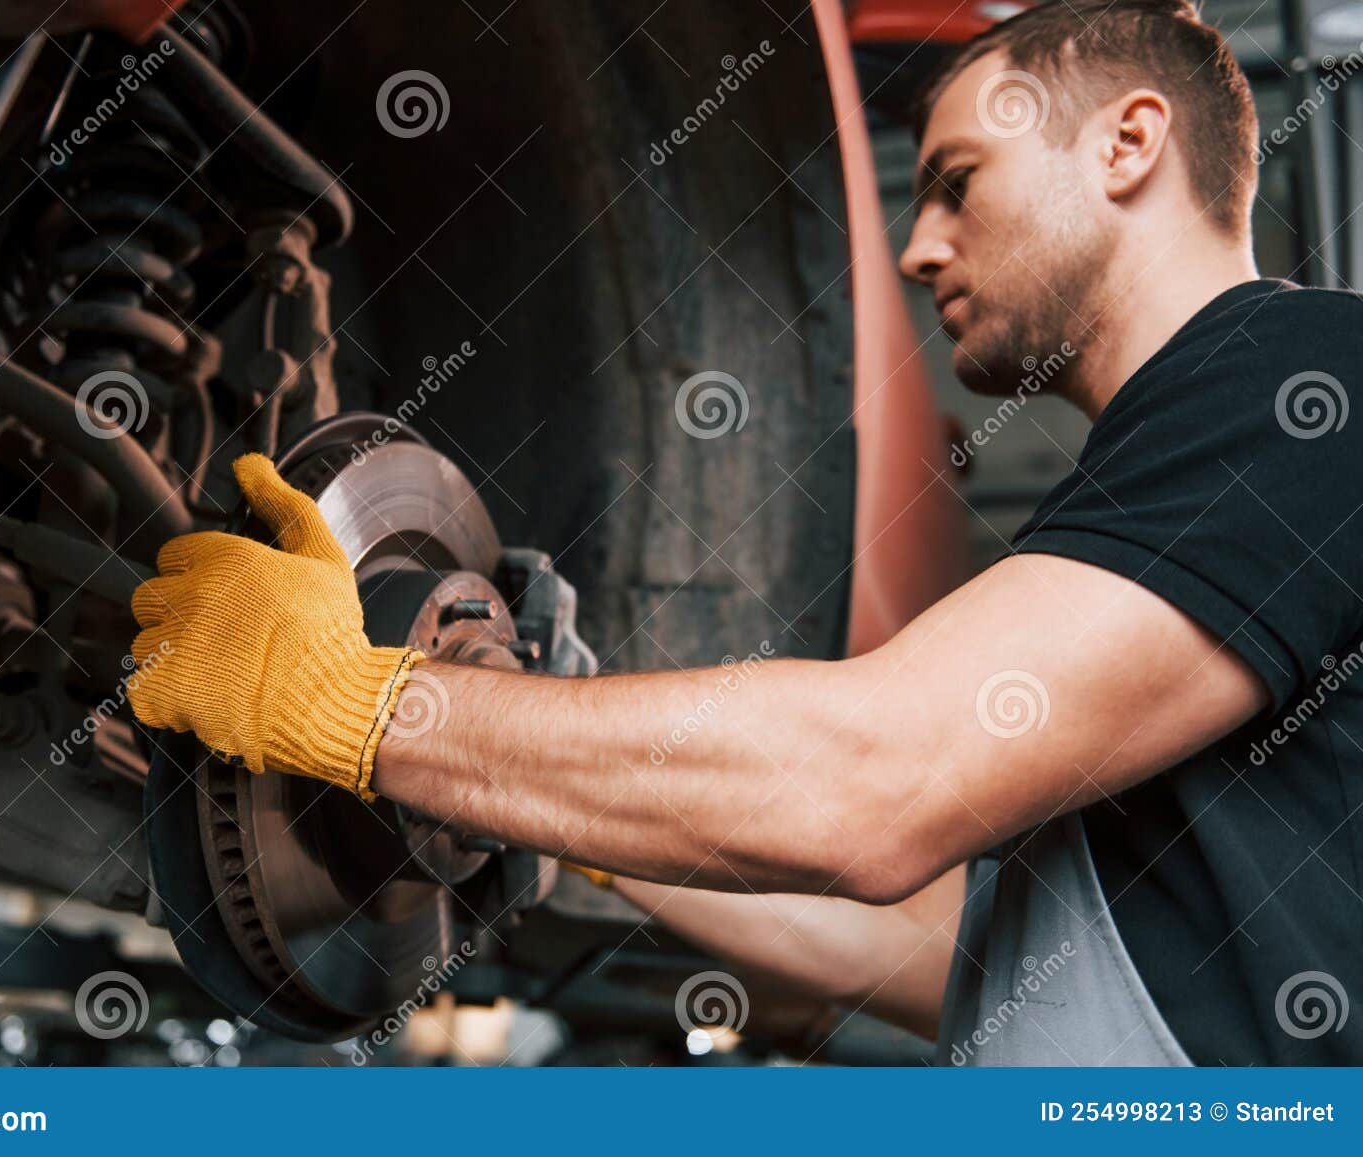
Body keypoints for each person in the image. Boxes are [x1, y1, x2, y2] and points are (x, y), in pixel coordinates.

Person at [127, 0, 1363, 1064]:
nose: (919, 244)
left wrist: (359, 706)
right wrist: (534, 773)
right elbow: (916, 943)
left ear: (1128, 142)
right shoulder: (1177, 483)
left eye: (956, 180)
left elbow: (876, 784)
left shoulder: (1304, 378)